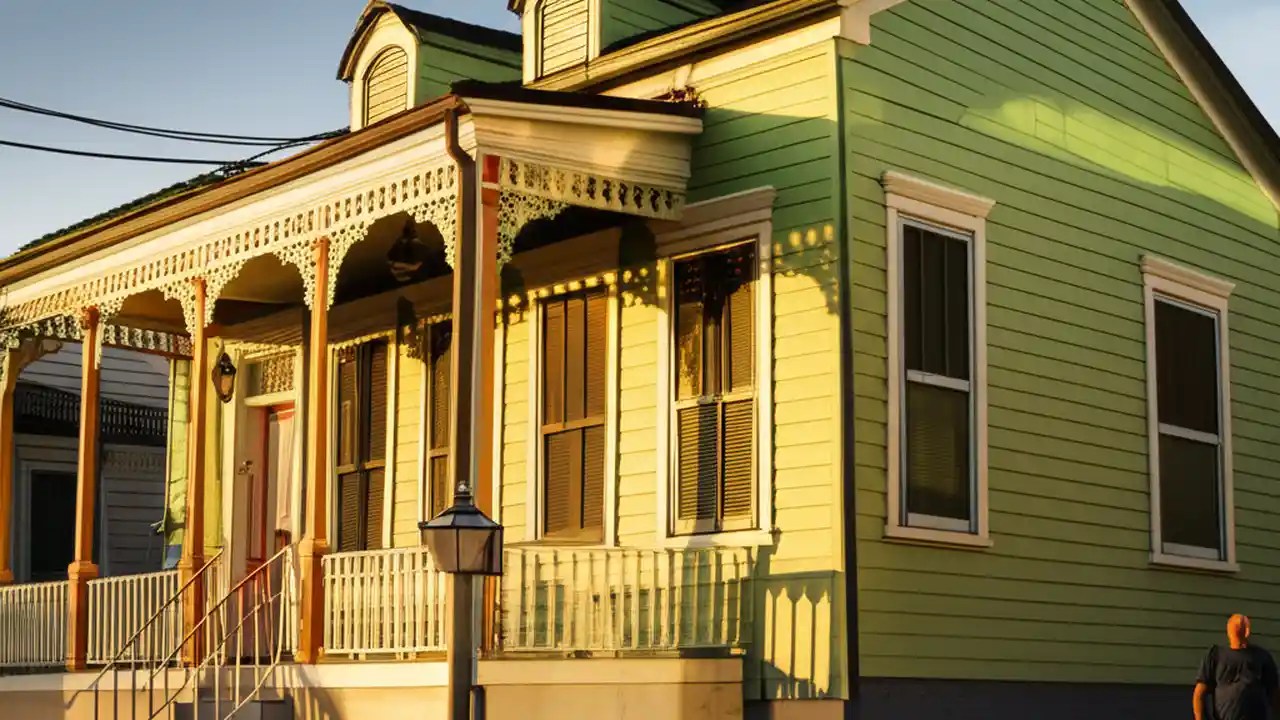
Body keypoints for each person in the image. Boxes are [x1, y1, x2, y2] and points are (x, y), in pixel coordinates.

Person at [1194, 614, 1280, 720]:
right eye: (1236, 627)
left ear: (1247, 631)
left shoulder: (1261, 656)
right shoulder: (1215, 655)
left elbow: (1274, 694)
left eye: (1242, 627)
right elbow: (1199, 694)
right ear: (1229, 631)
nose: (1239, 631)